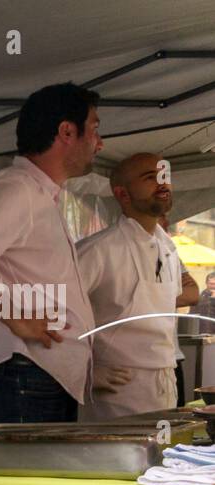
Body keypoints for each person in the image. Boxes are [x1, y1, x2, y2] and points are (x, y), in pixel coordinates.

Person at [0, 83, 102, 423]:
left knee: (41, 477)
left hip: (36, 374)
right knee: (32, 477)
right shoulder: (18, 188)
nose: (99, 144)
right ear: (66, 131)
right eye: (95, 129)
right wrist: (15, 317)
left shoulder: (39, 194)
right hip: (26, 372)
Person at [76, 154, 200, 419]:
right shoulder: (98, 250)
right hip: (117, 387)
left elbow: (189, 293)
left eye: (165, 176)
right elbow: (56, 311)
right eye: (150, 178)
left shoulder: (166, 246)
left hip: (164, 380)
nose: (163, 184)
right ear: (122, 194)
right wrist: (82, 369)